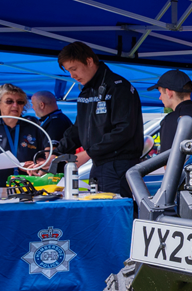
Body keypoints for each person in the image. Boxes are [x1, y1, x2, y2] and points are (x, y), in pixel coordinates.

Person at [47, 42, 144, 197]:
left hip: (119, 166)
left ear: (89, 61)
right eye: (68, 71)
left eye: (74, 69)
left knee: (115, 215)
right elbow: (78, 129)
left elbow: (124, 130)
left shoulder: (119, 87)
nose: (72, 75)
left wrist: (88, 153)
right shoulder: (86, 92)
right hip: (98, 165)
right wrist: (55, 153)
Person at [0, 84, 46, 194]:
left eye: (20, 102)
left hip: (25, 190)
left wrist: (38, 164)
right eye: (9, 101)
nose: (15, 105)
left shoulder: (32, 125)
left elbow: (42, 156)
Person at [150, 70, 192, 153]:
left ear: (168, 92)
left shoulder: (170, 121)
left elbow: (167, 163)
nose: (160, 98)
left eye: (160, 93)